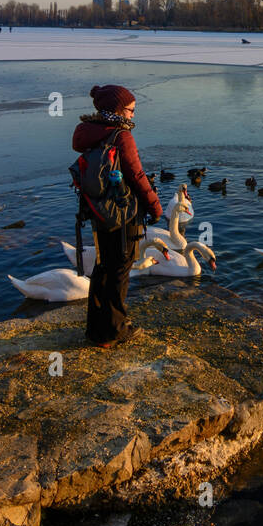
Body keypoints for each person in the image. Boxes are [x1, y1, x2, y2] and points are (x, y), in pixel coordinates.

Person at [72, 84, 162, 347]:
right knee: (120, 269)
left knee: (103, 268)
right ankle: (114, 331)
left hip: (99, 211)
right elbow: (136, 176)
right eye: (131, 110)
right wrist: (155, 206)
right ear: (117, 109)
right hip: (123, 214)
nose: (133, 115)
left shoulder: (91, 133)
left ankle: (96, 330)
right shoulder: (121, 136)